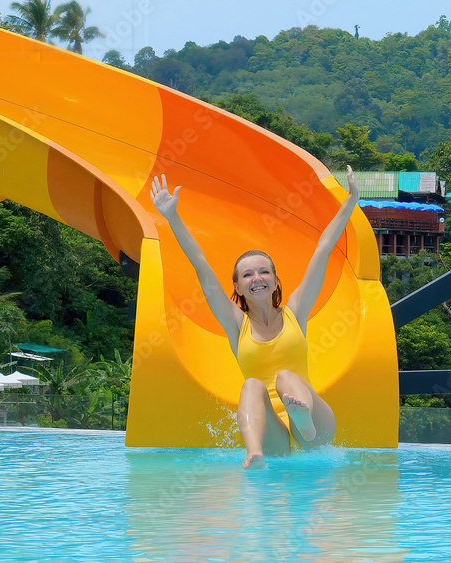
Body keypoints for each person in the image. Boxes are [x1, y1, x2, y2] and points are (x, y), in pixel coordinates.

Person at [149, 166, 360, 469]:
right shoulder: (237, 324)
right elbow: (200, 265)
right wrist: (173, 217)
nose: (257, 277)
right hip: (271, 428)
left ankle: (303, 419)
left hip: (315, 424)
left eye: (264, 271)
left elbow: (323, 249)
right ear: (237, 286)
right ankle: (255, 452)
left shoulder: (295, 311)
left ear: (275, 281)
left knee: (287, 377)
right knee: (251, 385)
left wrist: (350, 202)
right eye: (247, 274)